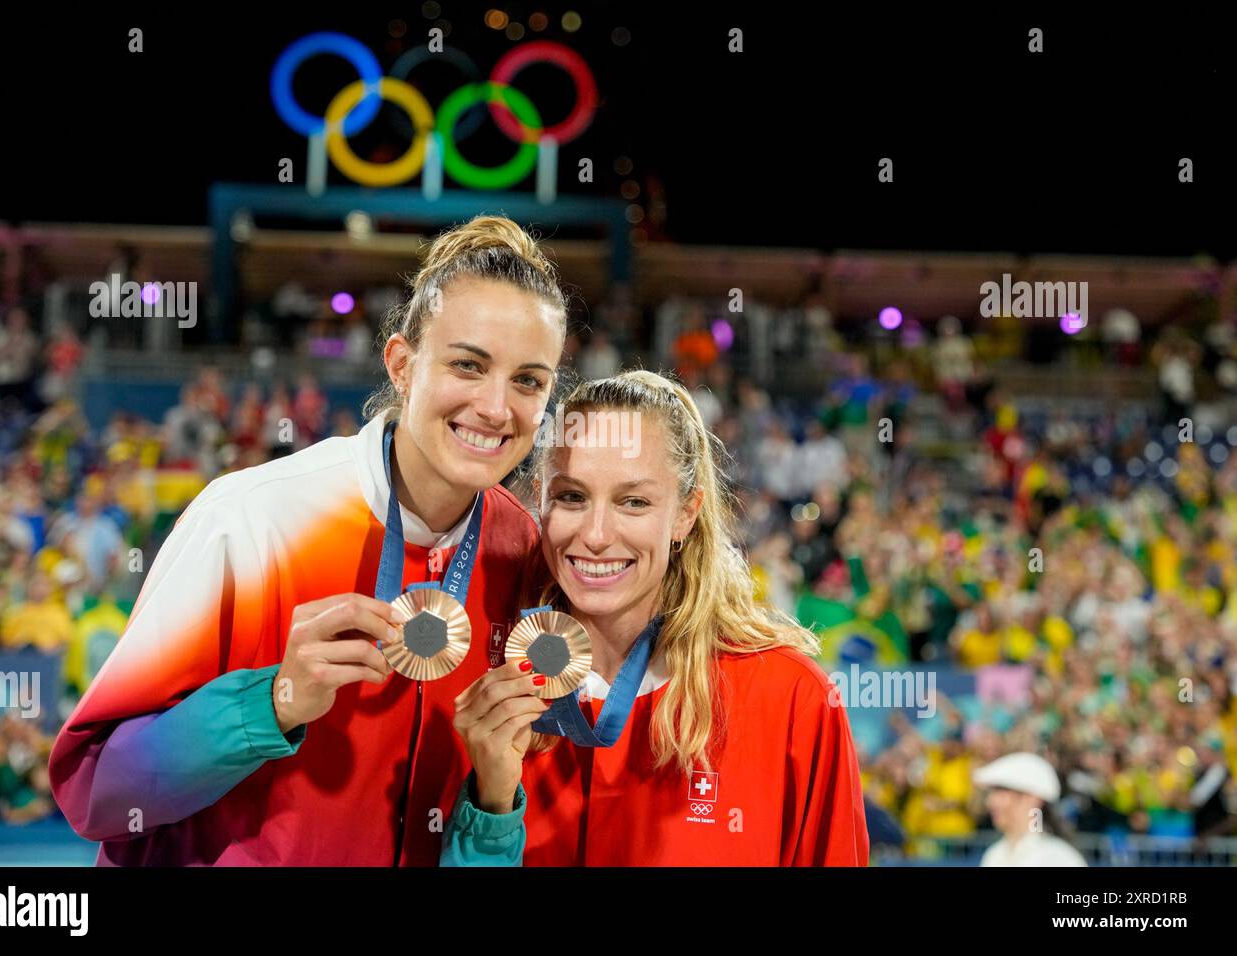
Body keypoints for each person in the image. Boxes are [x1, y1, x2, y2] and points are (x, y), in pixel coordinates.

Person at [47, 216, 568, 865]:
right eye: (468, 365)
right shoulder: (253, 517)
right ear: (402, 365)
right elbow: (94, 788)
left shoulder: (523, 550)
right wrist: (273, 702)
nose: (496, 407)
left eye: (528, 380)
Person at [442, 371, 869, 865]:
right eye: (572, 497)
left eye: (634, 502)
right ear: (540, 499)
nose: (596, 535)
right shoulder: (492, 690)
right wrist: (491, 805)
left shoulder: (790, 699)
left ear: (686, 513)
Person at [974, 752, 1087, 866]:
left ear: (1032, 798)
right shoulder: (994, 855)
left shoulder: (1059, 858)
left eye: (1001, 792)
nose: (991, 802)